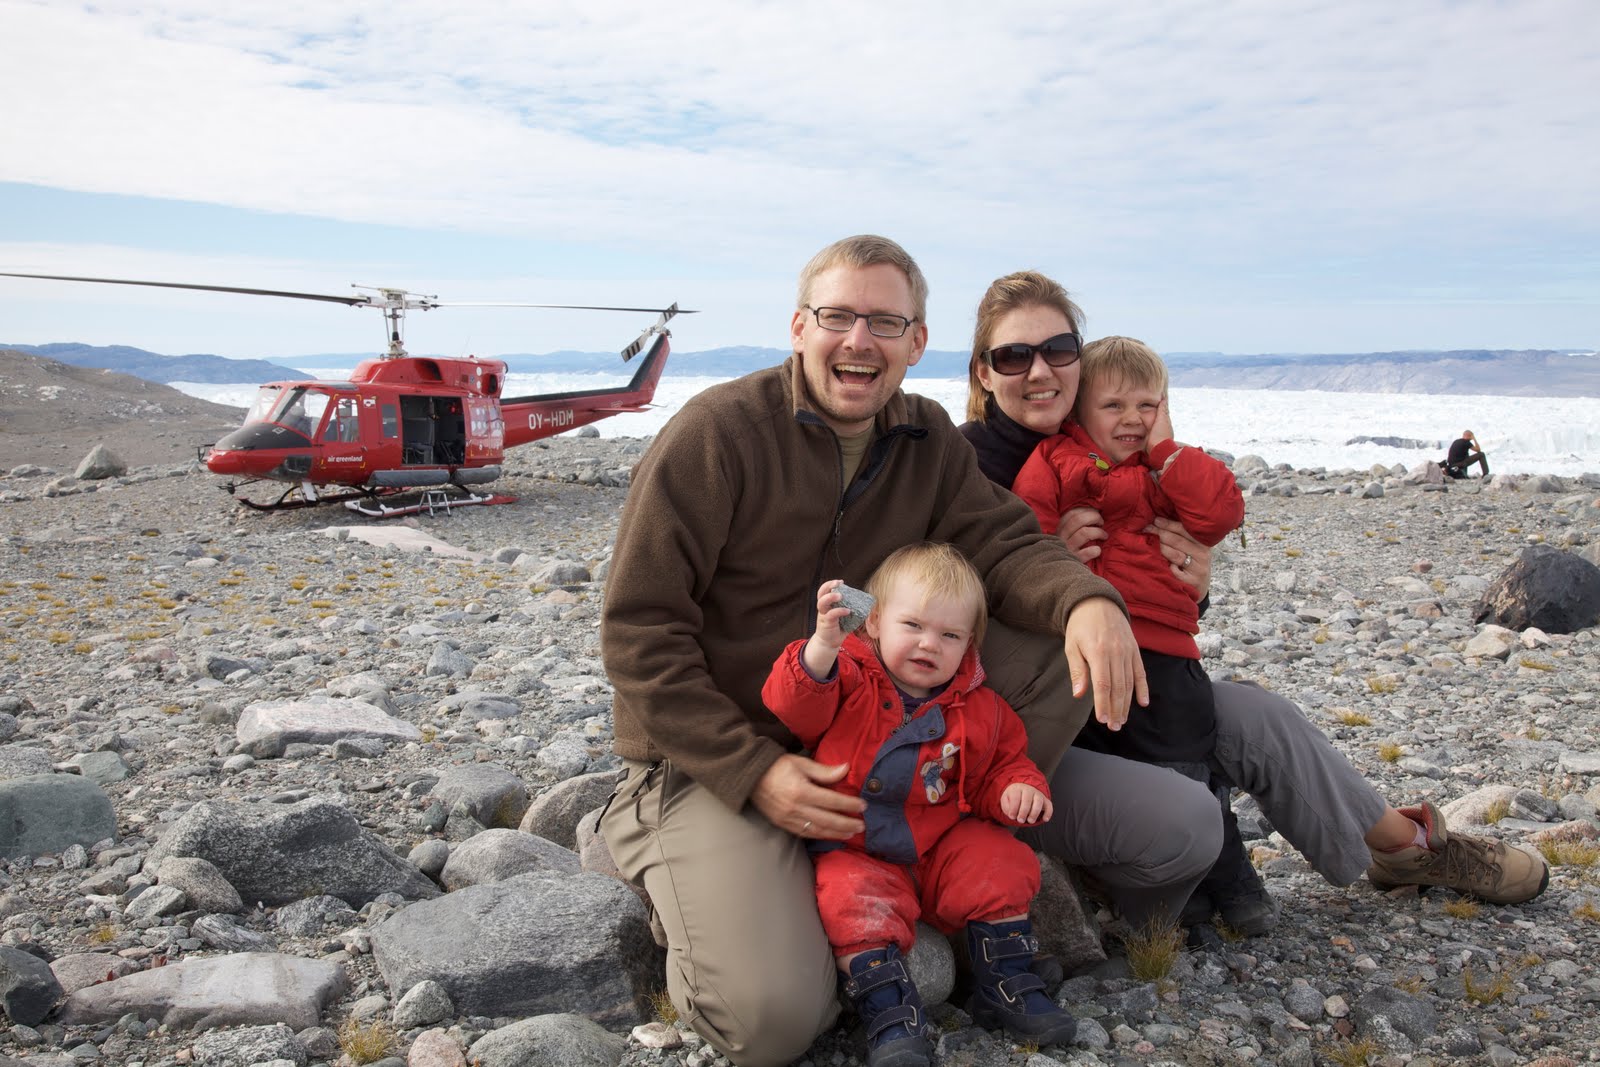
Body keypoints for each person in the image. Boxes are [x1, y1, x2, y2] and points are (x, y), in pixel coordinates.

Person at [599, 236, 1157, 1067]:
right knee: (772, 1022)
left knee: (1058, 646)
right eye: (838, 317)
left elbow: (1004, 545)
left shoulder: (924, 437)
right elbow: (639, 629)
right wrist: (755, 771)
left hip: (861, 733)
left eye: (885, 321)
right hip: (710, 757)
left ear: (917, 342)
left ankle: (937, 846)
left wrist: (1087, 599)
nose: (859, 340)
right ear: (799, 327)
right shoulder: (717, 434)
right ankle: (667, 857)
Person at [959, 269, 1550, 934]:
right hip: (1033, 730)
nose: (1039, 369)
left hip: (1130, 674)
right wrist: (1055, 566)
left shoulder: (1102, 444)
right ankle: (1131, 899)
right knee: (1185, 801)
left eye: (1058, 349)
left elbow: (1168, 556)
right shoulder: (971, 465)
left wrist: (1190, 581)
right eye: (1014, 355)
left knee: (1264, 718)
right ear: (983, 371)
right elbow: (953, 615)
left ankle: (1404, 849)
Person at [764, 544, 1076, 1065]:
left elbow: (1002, 766)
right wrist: (821, 644)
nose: (929, 644)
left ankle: (1005, 978)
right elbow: (791, 705)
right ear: (877, 622)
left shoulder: (981, 708)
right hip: (856, 842)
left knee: (997, 859)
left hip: (939, 842)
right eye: (913, 625)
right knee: (849, 897)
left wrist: (1017, 789)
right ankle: (889, 1012)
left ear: (968, 643)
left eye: (950, 635)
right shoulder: (848, 676)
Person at [1009, 335, 1271, 930]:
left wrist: (1169, 450)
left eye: (1147, 406)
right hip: (1091, 645)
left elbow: (1221, 514)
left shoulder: (1168, 469)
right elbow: (1021, 534)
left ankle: (1233, 884)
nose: (1133, 419)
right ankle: (1178, 898)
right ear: (1080, 411)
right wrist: (1058, 551)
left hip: (1168, 651)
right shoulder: (1054, 460)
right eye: (1114, 406)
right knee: (1120, 757)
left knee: (1188, 763)